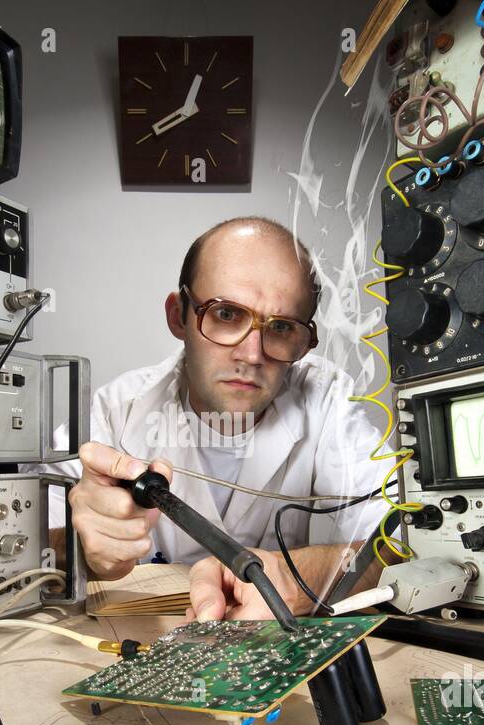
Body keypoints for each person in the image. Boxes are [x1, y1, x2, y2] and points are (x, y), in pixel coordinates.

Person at [34, 217, 391, 622]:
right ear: (177, 316)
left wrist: (296, 581)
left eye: (280, 327)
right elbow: (21, 544)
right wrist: (80, 544)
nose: (251, 354)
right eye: (225, 314)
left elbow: (407, 541)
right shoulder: (114, 412)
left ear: (305, 343)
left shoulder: (328, 402)